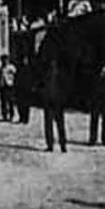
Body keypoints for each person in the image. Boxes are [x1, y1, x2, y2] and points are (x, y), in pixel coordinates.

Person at [36, 23, 70, 152]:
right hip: (55, 98)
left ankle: (56, 145)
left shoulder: (48, 70)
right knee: (56, 123)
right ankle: (60, 145)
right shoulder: (57, 71)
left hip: (52, 98)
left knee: (51, 122)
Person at [87, 62, 105, 146]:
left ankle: (104, 139)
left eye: (104, 69)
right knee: (94, 121)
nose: (103, 70)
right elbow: (90, 92)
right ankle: (92, 139)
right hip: (96, 102)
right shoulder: (94, 79)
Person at [0, 57, 18, 121]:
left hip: (10, 85)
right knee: (3, 102)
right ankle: (4, 115)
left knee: (10, 101)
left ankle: (11, 115)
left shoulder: (11, 67)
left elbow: (15, 75)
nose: (4, 62)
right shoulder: (1, 68)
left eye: (5, 60)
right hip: (3, 86)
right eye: (3, 60)